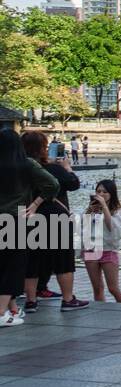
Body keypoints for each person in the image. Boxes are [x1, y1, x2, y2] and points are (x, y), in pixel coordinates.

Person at [20, 130, 89, 312]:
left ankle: (31, 300)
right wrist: (67, 167)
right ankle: (68, 299)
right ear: (43, 148)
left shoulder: (19, 170)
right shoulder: (52, 169)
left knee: (32, 260)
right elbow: (73, 184)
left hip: (28, 218)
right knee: (63, 259)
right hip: (55, 217)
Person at [0, 129, 61, 326]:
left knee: (2, 265)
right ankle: (1, 313)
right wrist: (35, 204)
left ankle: (13, 310)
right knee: (13, 267)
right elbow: (52, 185)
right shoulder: (27, 164)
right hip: (17, 219)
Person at [82, 179, 121, 303]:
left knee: (113, 288)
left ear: (112, 193)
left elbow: (112, 228)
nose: (101, 194)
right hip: (92, 249)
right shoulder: (92, 208)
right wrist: (89, 212)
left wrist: (104, 207)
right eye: (98, 191)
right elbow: (84, 229)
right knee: (97, 288)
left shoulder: (119, 210)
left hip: (109, 250)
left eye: (104, 192)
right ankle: (100, 312)